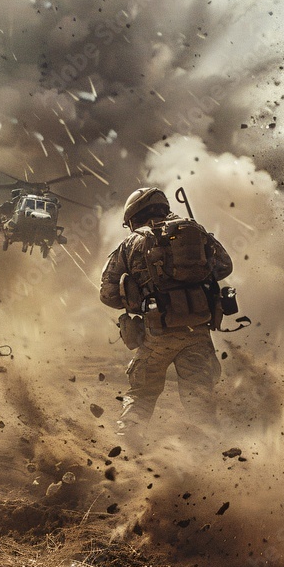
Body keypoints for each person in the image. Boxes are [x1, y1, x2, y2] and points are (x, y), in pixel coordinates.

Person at [100, 187, 233, 438]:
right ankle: (212, 450)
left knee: (142, 393)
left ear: (133, 217)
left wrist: (136, 298)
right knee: (200, 400)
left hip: (158, 334)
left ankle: (128, 441)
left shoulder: (132, 242)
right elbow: (225, 266)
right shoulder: (195, 231)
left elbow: (107, 294)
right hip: (198, 331)